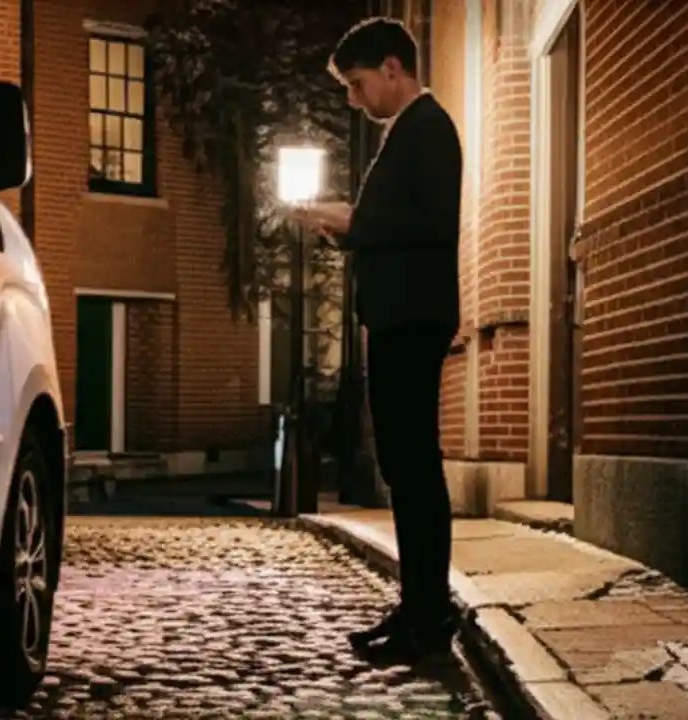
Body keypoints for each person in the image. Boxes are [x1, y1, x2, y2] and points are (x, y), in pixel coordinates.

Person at [294, 17, 463, 661]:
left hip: (412, 322)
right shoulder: (406, 134)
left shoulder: (430, 129)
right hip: (398, 318)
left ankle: (428, 617)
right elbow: (401, 225)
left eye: (359, 84)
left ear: (393, 68)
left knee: (415, 466)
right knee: (404, 466)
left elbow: (430, 222)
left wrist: (355, 220)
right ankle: (417, 605)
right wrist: (350, 230)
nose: (354, 100)